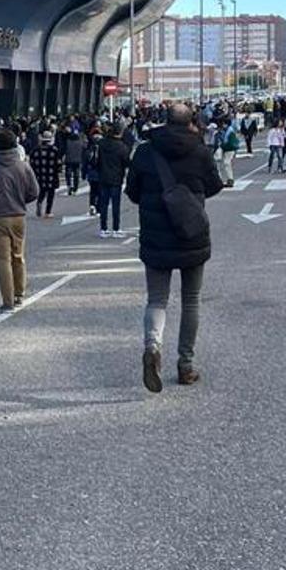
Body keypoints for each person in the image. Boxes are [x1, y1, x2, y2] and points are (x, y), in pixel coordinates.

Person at [125, 103, 223, 393]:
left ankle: (152, 346)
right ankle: (186, 365)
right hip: (191, 233)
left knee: (157, 300)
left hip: (156, 236)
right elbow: (215, 186)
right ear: (191, 121)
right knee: (191, 300)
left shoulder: (145, 151)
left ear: (164, 120)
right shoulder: (200, 150)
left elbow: (132, 192)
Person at [0, 129, 39, 312]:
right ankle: (19, 294)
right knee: (18, 256)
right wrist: (20, 200)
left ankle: (7, 301)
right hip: (18, 216)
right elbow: (34, 191)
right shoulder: (22, 165)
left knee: (3, 260)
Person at [96, 122, 130, 236]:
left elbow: (98, 160)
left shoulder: (102, 143)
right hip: (116, 177)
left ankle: (103, 228)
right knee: (116, 204)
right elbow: (126, 162)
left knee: (103, 204)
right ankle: (116, 228)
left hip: (103, 176)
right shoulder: (122, 147)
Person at [32, 129, 61, 218]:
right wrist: (58, 170)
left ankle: (39, 202)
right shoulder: (54, 150)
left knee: (42, 190)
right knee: (51, 194)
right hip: (51, 175)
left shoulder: (36, 150)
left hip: (40, 175)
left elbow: (32, 163)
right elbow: (58, 163)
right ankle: (48, 212)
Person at [63, 127, 84, 196]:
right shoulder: (80, 142)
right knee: (76, 175)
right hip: (77, 160)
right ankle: (75, 188)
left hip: (69, 160)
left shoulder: (67, 141)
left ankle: (69, 185)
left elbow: (64, 149)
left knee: (68, 174)